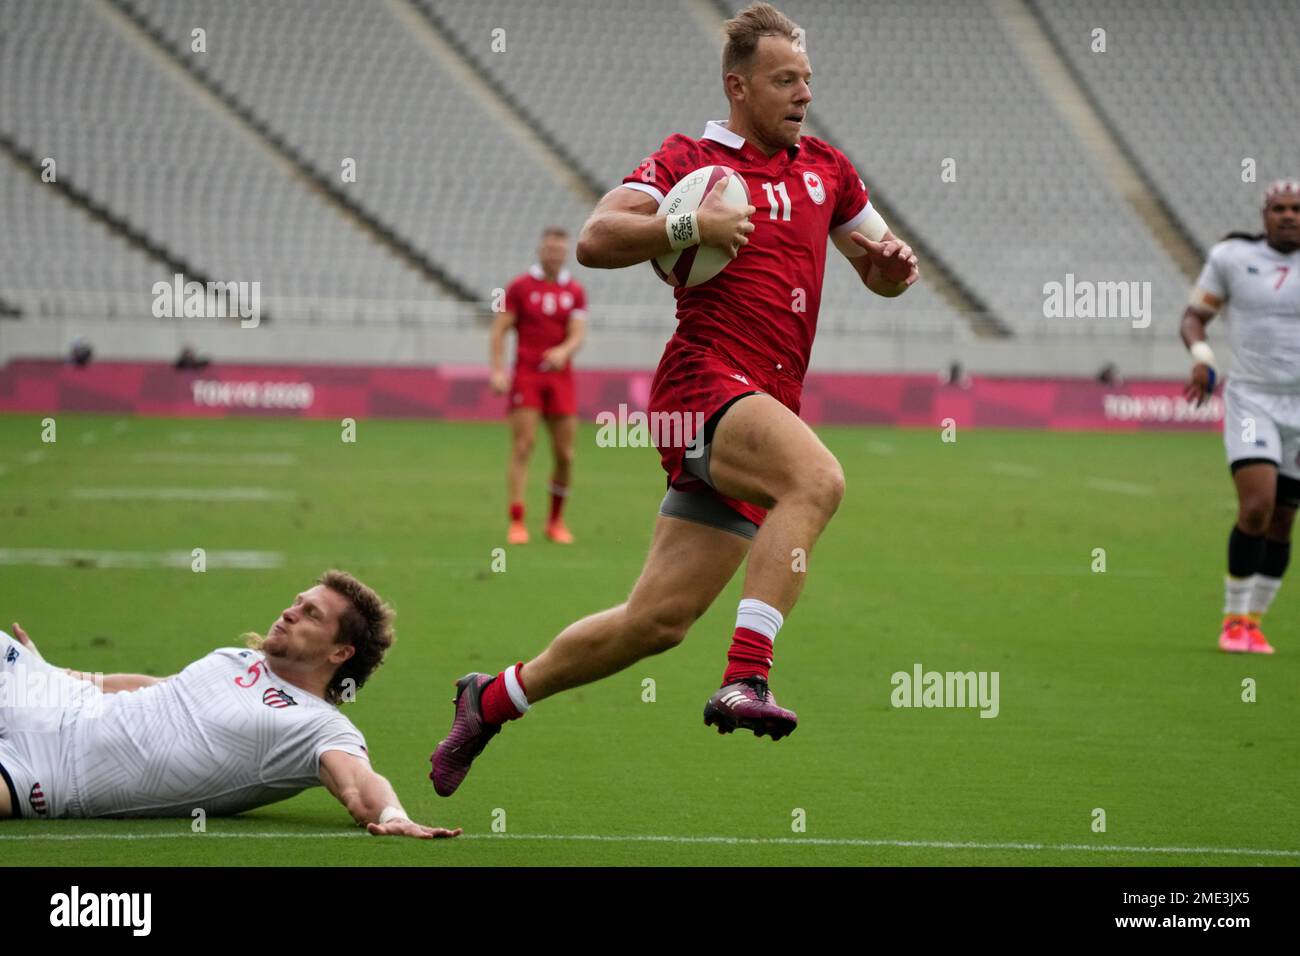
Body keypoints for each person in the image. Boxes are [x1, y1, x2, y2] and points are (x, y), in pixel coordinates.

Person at [429, 2, 918, 797]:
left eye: (806, 79)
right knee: (816, 480)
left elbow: (878, 264)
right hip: (702, 384)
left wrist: (890, 270)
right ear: (738, 87)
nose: (803, 94)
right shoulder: (691, 161)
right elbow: (596, 239)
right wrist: (688, 226)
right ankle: (747, 677)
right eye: (784, 80)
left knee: (655, 622)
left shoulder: (829, 168)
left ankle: (490, 700)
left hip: (764, 406)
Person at [0, 570, 461, 839]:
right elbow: (156, 687)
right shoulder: (237, 658)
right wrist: (52, 673)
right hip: (49, 696)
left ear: (340, 652)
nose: (289, 612)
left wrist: (393, 816)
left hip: (46, 773)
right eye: (297, 602)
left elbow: (359, 784)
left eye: (311, 614)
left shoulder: (320, 728)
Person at [1182, 179, 1300, 654]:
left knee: (1284, 520)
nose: (1288, 216)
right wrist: (1203, 358)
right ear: (1264, 215)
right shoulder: (1232, 258)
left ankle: (1254, 622)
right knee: (1257, 506)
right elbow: (1193, 317)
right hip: (1252, 398)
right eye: (1279, 208)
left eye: (1296, 209)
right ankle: (1233, 621)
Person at [489, 226, 588, 545]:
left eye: (559, 250)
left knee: (566, 454)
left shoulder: (575, 291)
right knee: (523, 446)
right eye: (549, 249)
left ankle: (555, 521)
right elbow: (499, 329)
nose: (554, 255)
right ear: (540, 251)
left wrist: (564, 350)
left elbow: (578, 334)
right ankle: (517, 520)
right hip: (527, 376)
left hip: (560, 378)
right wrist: (497, 370)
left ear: (566, 254)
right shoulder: (519, 287)